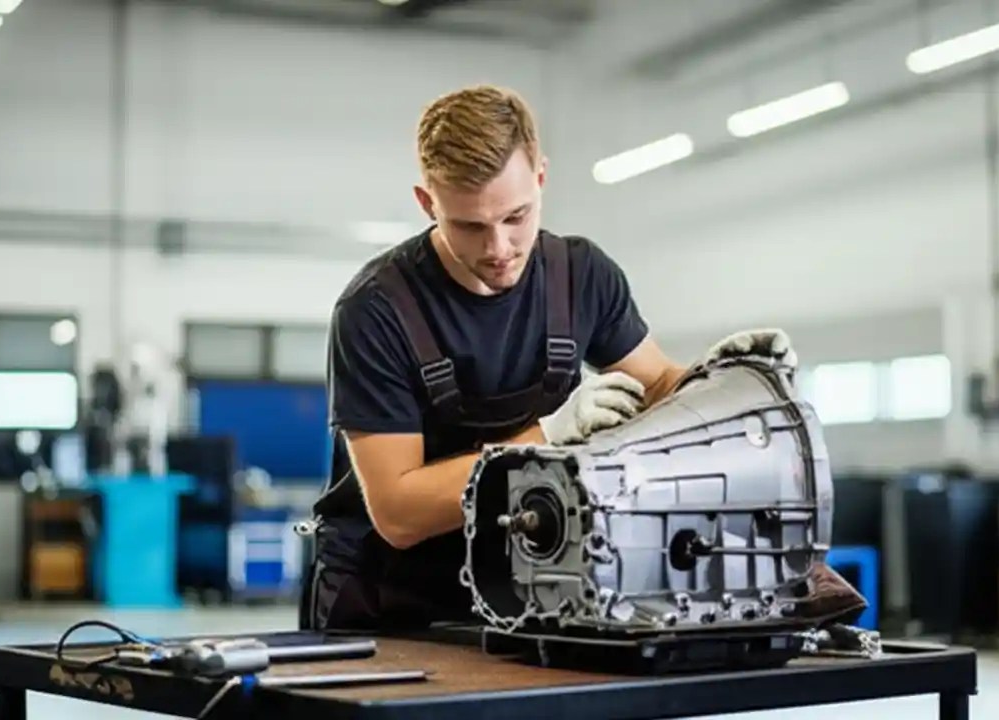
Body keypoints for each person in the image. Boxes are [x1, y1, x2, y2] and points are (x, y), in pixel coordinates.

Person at [299, 84, 797, 632]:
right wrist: (548, 436)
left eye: (517, 216)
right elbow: (399, 513)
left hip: (529, 586)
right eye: (470, 225)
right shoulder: (376, 310)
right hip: (387, 604)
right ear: (428, 203)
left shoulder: (579, 277)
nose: (499, 248)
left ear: (540, 179)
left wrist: (726, 381)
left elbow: (657, 385)